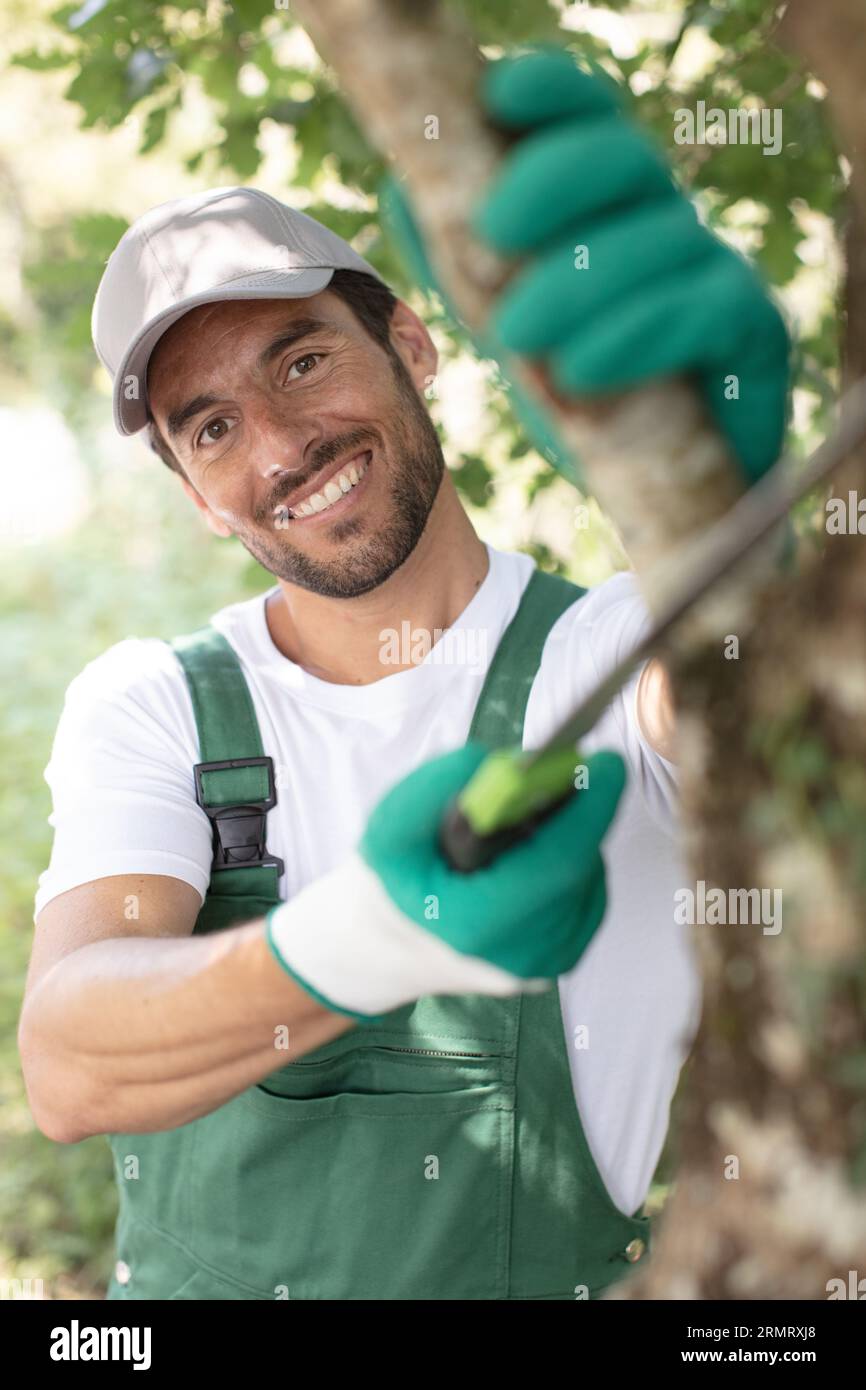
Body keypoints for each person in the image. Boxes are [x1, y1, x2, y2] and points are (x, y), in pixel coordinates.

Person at [18, 50, 789, 1300]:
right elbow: (70, 1061)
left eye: (302, 359)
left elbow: (756, 696)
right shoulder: (154, 703)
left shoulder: (605, 653)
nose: (279, 444)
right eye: (209, 427)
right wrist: (384, 931)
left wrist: (724, 518)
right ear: (198, 499)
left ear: (412, 346)